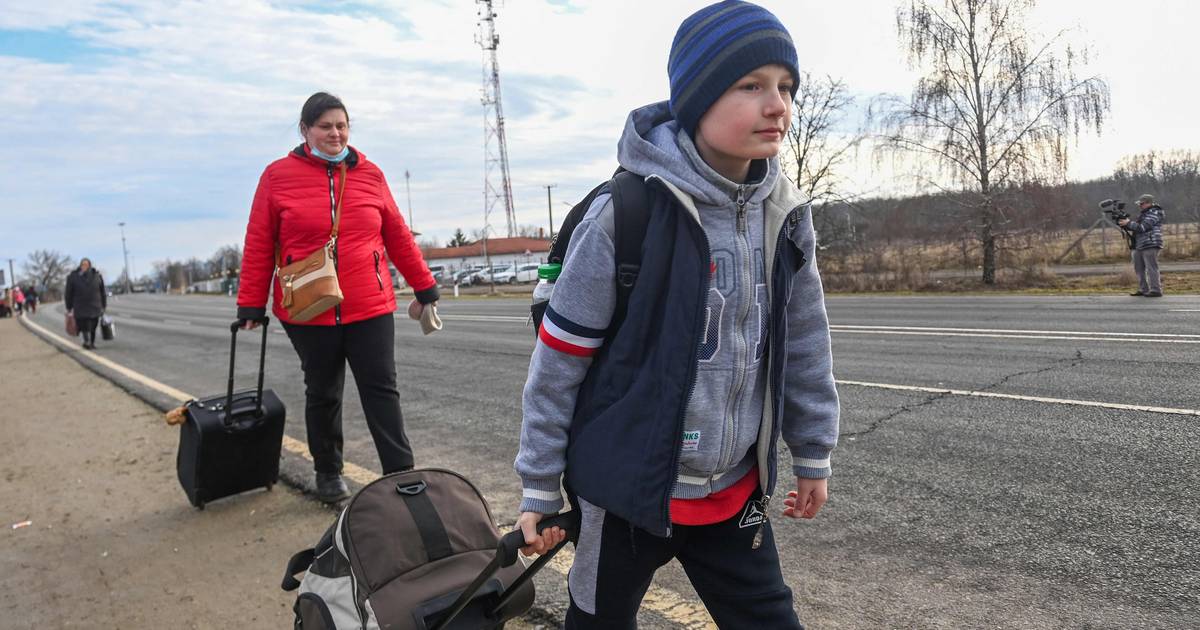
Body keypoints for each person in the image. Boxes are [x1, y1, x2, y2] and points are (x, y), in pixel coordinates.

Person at [514, 3, 840, 627]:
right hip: (626, 497)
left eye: (786, 87)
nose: (778, 105)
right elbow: (558, 364)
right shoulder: (623, 216)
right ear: (696, 98)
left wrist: (813, 452)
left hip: (732, 492)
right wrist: (538, 488)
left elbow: (805, 345)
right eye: (751, 86)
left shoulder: (787, 219)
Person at [237, 92, 440, 503]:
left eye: (342, 125)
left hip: (370, 304)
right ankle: (327, 471)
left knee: (382, 389)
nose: (335, 133)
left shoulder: (370, 174)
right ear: (305, 130)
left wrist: (425, 285)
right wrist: (251, 305)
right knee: (323, 392)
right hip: (309, 309)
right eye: (326, 126)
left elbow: (397, 234)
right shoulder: (277, 176)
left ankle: (401, 473)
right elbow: (259, 242)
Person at [1119, 194, 1166, 297]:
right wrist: (1125, 224)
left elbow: (1143, 227)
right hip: (1139, 244)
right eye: (1139, 204)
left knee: (1151, 267)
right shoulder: (1143, 214)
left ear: (1149, 203)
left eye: (1142, 204)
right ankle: (1143, 289)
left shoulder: (1154, 212)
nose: (1140, 206)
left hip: (1151, 243)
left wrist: (1128, 223)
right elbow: (1136, 228)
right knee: (1139, 268)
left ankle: (1155, 290)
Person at [64, 258, 107, 349]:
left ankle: (92, 342)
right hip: (80, 305)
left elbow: (102, 291)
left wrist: (103, 305)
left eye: (86, 264)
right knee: (84, 325)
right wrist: (69, 306)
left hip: (95, 305)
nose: (84, 266)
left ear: (89, 265)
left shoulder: (97, 276)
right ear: (80, 265)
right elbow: (68, 293)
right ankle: (86, 341)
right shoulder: (73, 276)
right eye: (83, 264)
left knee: (93, 325)